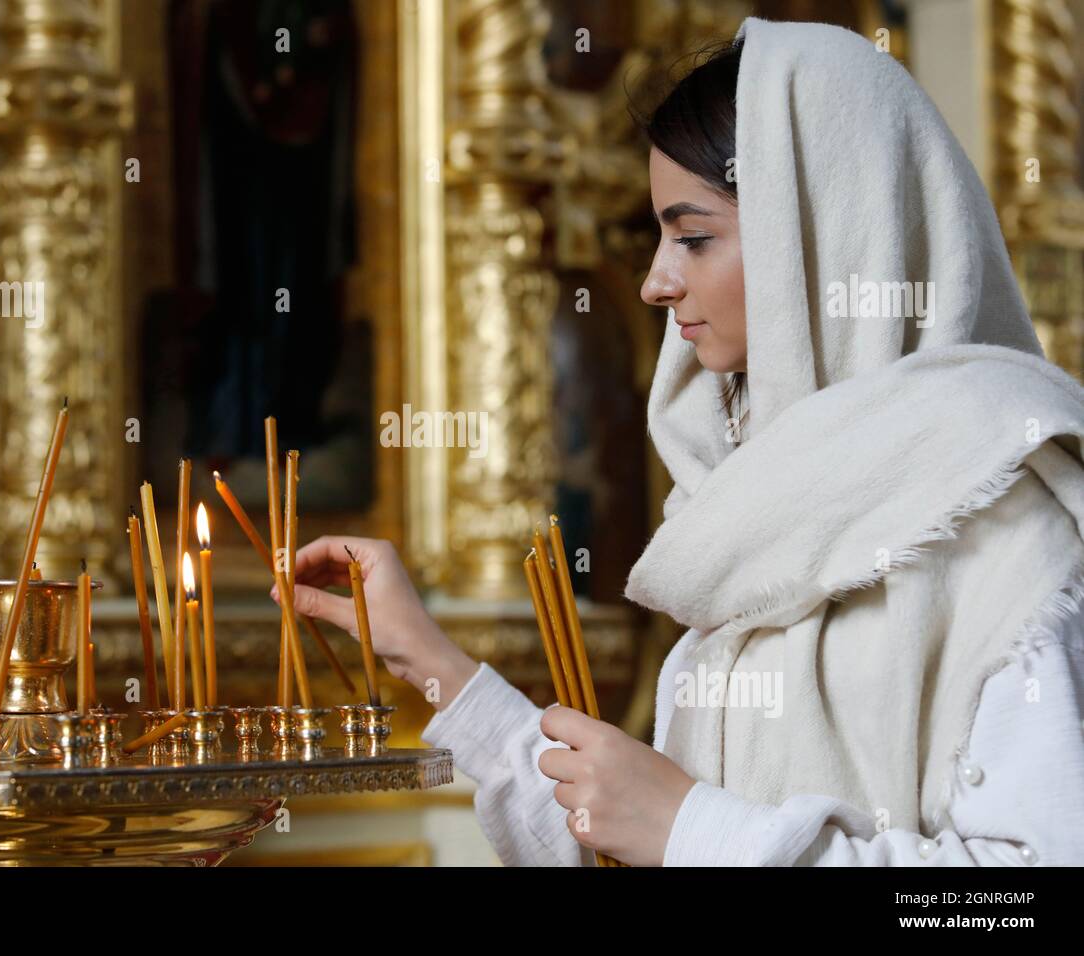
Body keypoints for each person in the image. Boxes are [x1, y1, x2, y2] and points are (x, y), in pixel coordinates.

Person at [273, 18, 1084, 866]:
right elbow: (630, 843)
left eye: (693, 237)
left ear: (827, 233)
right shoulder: (743, 511)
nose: (656, 283)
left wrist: (687, 825)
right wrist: (427, 656)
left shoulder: (1011, 529)